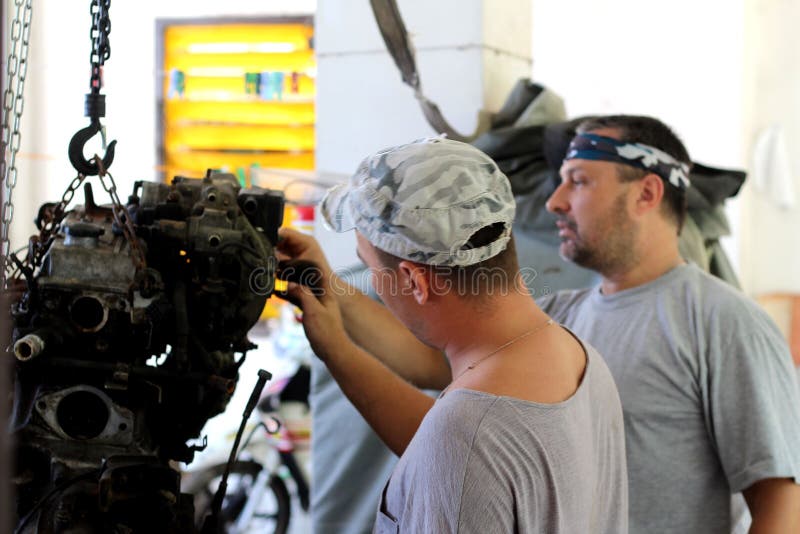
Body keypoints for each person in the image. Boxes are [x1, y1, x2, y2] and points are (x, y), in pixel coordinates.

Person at [277, 137, 628, 532]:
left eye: (371, 269)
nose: (371, 281)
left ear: (414, 280)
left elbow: (455, 447)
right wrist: (337, 337)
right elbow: (446, 443)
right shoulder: (573, 354)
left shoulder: (465, 435)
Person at [538, 115, 800, 533]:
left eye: (580, 180)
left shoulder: (724, 321)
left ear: (646, 194)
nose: (555, 201)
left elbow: (781, 505)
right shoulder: (555, 318)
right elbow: (439, 361)